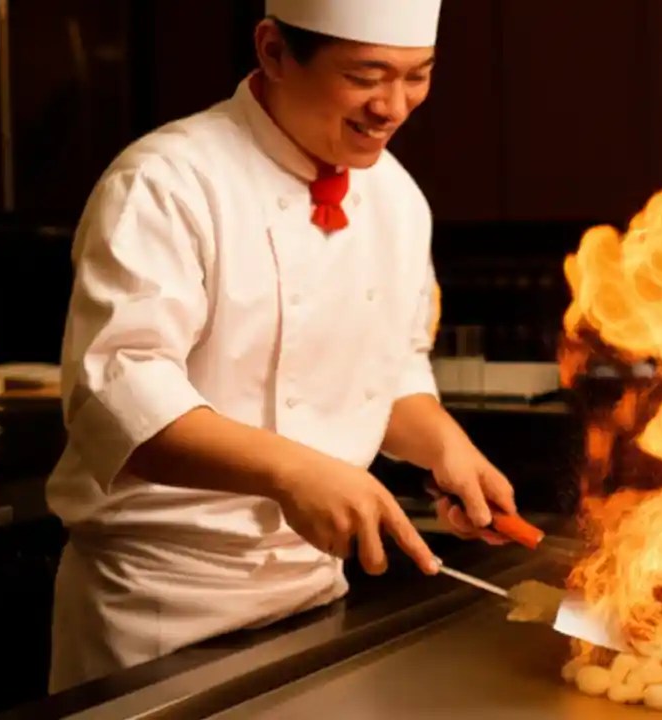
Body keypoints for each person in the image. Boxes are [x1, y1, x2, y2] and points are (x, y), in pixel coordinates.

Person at [45, 0, 514, 693]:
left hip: (313, 599)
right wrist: (295, 472)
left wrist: (443, 444)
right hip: (159, 607)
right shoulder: (167, 181)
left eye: (418, 76)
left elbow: (389, 372)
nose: (393, 106)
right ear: (272, 50)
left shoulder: (398, 199)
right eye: (367, 75)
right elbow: (120, 408)